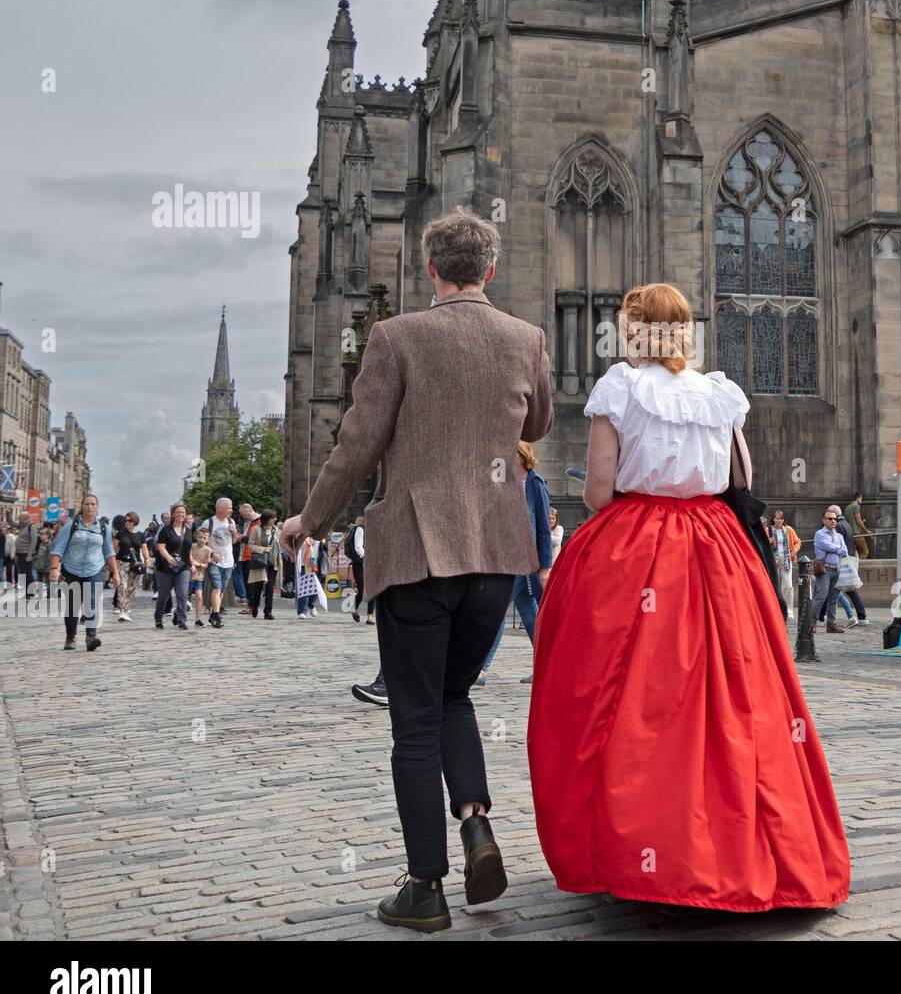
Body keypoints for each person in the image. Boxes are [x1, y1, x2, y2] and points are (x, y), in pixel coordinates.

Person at [528, 281, 850, 914]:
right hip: (717, 549)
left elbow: (596, 492)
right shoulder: (718, 393)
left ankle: (643, 853)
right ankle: (742, 851)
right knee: (740, 697)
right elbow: (741, 481)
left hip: (637, 546)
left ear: (634, 330)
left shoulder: (620, 387)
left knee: (629, 702)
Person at [279, 208, 553, 933]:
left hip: (417, 553)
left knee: (414, 723)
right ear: (489, 270)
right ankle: (476, 823)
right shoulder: (526, 339)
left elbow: (355, 446)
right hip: (496, 554)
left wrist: (309, 522)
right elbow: (537, 426)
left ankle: (425, 886)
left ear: (431, 269)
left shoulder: (396, 337)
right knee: (455, 695)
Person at [479, 442, 552, 686]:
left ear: (522, 457)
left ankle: (482, 669)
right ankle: (546, 666)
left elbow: (542, 526)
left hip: (525, 559)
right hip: (506, 558)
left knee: (498, 609)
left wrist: (545, 566)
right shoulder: (504, 482)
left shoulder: (535, 483)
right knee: (529, 612)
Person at [49, 494, 120, 652]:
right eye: (87, 504)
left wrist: (115, 573)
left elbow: (109, 552)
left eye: (92, 504)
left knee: (92, 601)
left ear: (97, 507)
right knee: (73, 605)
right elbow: (58, 548)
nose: (89, 507)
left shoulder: (103, 528)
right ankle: (70, 636)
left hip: (94, 569)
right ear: (82, 506)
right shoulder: (71, 525)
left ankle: (91, 636)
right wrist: (54, 569)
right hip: (71, 568)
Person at [154, 502, 193, 630]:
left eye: (183, 512)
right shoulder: (166, 530)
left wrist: (191, 563)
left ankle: (181, 619)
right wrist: (169, 558)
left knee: (182, 594)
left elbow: (189, 549)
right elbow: (160, 546)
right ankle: (158, 618)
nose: (181, 514)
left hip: (183, 567)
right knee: (163, 596)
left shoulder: (189, 530)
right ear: (173, 514)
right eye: (178, 512)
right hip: (165, 568)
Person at [198, 498, 236, 628]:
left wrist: (234, 532)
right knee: (217, 587)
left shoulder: (231, 522)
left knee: (222, 589)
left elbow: (234, 541)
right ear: (220, 509)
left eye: (231, 507)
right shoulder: (208, 522)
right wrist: (212, 554)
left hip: (228, 561)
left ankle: (214, 614)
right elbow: (200, 541)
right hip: (214, 561)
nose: (231, 510)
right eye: (229, 507)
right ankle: (217, 615)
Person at [813, 508, 852, 633]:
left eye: (835, 519)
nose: (833, 521)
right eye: (830, 519)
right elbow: (826, 546)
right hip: (825, 569)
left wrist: (836, 548)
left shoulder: (839, 535)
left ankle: (831, 624)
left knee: (833, 599)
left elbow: (845, 550)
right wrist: (837, 548)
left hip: (837, 569)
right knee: (821, 596)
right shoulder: (819, 534)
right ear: (824, 520)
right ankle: (811, 622)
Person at [113, 512, 148, 622]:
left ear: (135, 522)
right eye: (125, 520)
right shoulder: (120, 534)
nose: (127, 522)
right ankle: (122, 611)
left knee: (131, 588)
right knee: (122, 585)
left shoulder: (141, 535)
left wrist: (147, 559)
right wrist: (111, 562)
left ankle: (127, 611)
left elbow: (144, 549)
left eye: (129, 520)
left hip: (135, 563)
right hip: (122, 562)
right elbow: (114, 549)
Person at [767, 510, 800, 613]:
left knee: (788, 585)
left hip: (786, 559)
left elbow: (797, 542)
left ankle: (788, 609)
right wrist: (769, 541)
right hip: (773, 559)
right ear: (773, 519)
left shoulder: (788, 530)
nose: (779, 521)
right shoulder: (768, 530)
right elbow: (761, 543)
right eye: (777, 518)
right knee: (774, 584)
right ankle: (776, 608)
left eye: (781, 518)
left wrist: (794, 551)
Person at [247, 510, 277, 618]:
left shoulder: (275, 529)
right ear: (268, 519)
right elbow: (250, 546)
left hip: (273, 563)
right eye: (273, 518)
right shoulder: (256, 530)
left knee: (269, 588)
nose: (275, 520)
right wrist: (263, 549)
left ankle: (268, 612)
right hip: (261, 562)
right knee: (258, 588)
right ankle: (255, 606)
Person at [344, 514, 370, 623]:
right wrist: (365, 558)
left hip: (369, 562)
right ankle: (355, 608)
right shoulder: (360, 529)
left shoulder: (372, 530)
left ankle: (370, 616)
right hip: (360, 562)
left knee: (371, 588)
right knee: (362, 588)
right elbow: (358, 546)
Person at [188, 526, 212, 627]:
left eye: (204, 538)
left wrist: (198, 564)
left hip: (199, 576)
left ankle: (198, 619)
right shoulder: (191, 546)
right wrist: (192, 564)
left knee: (199, 596)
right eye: (200, 537)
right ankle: (178, 613)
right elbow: (188, 557)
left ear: (208, 539)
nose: (202, 540)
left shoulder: (207, 550)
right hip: (188, 575)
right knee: (184, 597)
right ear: (196, 537)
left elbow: (206, 565)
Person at [14, 512, 38, 597]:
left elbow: (34, 540)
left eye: (19, 518)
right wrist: (7, 514)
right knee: (24, 573)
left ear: (24, 518)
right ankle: (28, 592)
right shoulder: (22, 526)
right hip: (20, 554)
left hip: (26, 554)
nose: (18, 519)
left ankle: (30, 592)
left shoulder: (32, 526)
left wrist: (30, 554)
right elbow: (12, 524)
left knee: (28, 573)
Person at [843, 491, 868, 558]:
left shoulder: (848, 507)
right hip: (857, 534)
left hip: (850, 534)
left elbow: (850, 520)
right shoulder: (856, 506)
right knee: (864, 552)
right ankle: (859, 567)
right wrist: (866, 530)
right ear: (858, 498)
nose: (861, 500)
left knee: (851, 553)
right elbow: (858, 520)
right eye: (861, 498)